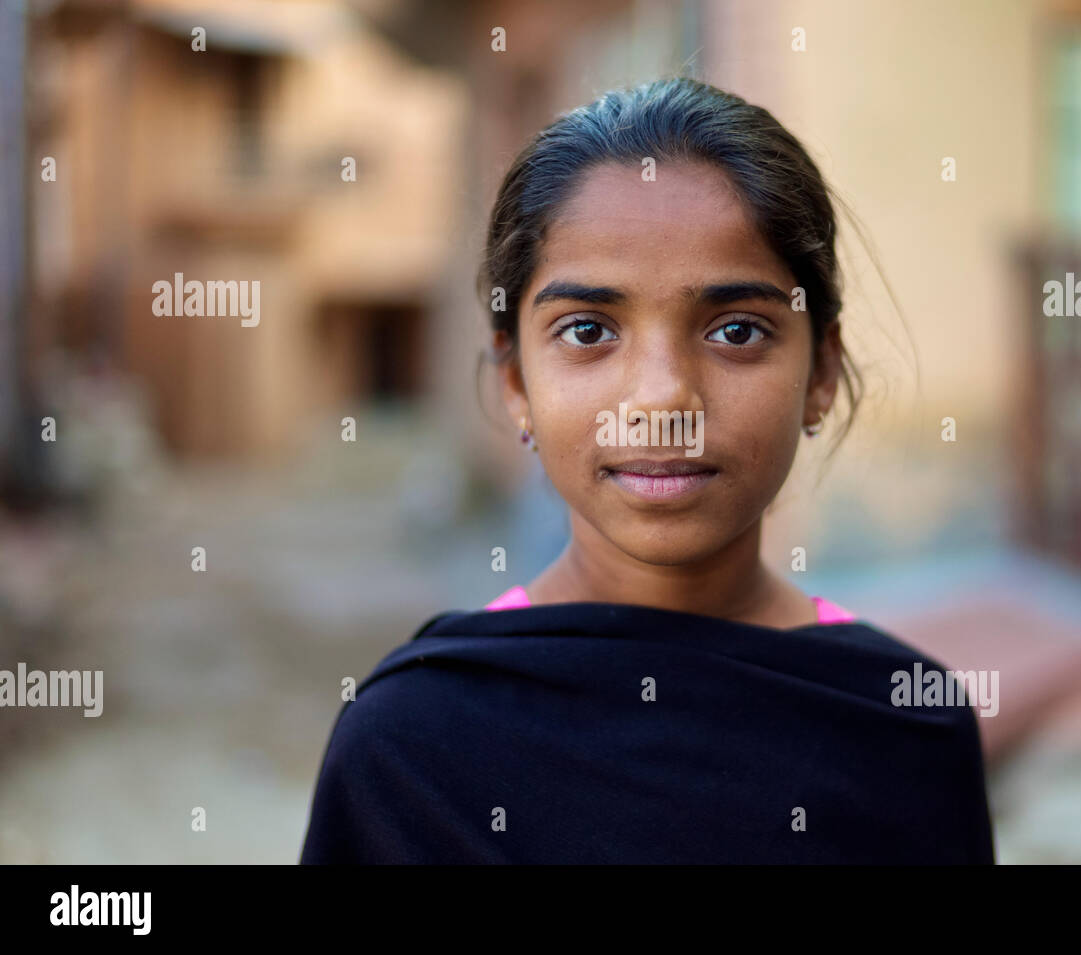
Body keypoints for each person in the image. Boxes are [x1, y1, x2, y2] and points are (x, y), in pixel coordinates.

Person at [300, 76, 996, 864]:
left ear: (821, 373)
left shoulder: (905, 721)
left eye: (736, 329)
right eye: (589, 328)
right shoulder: (411, 745)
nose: (663, 395)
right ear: (517, 382)